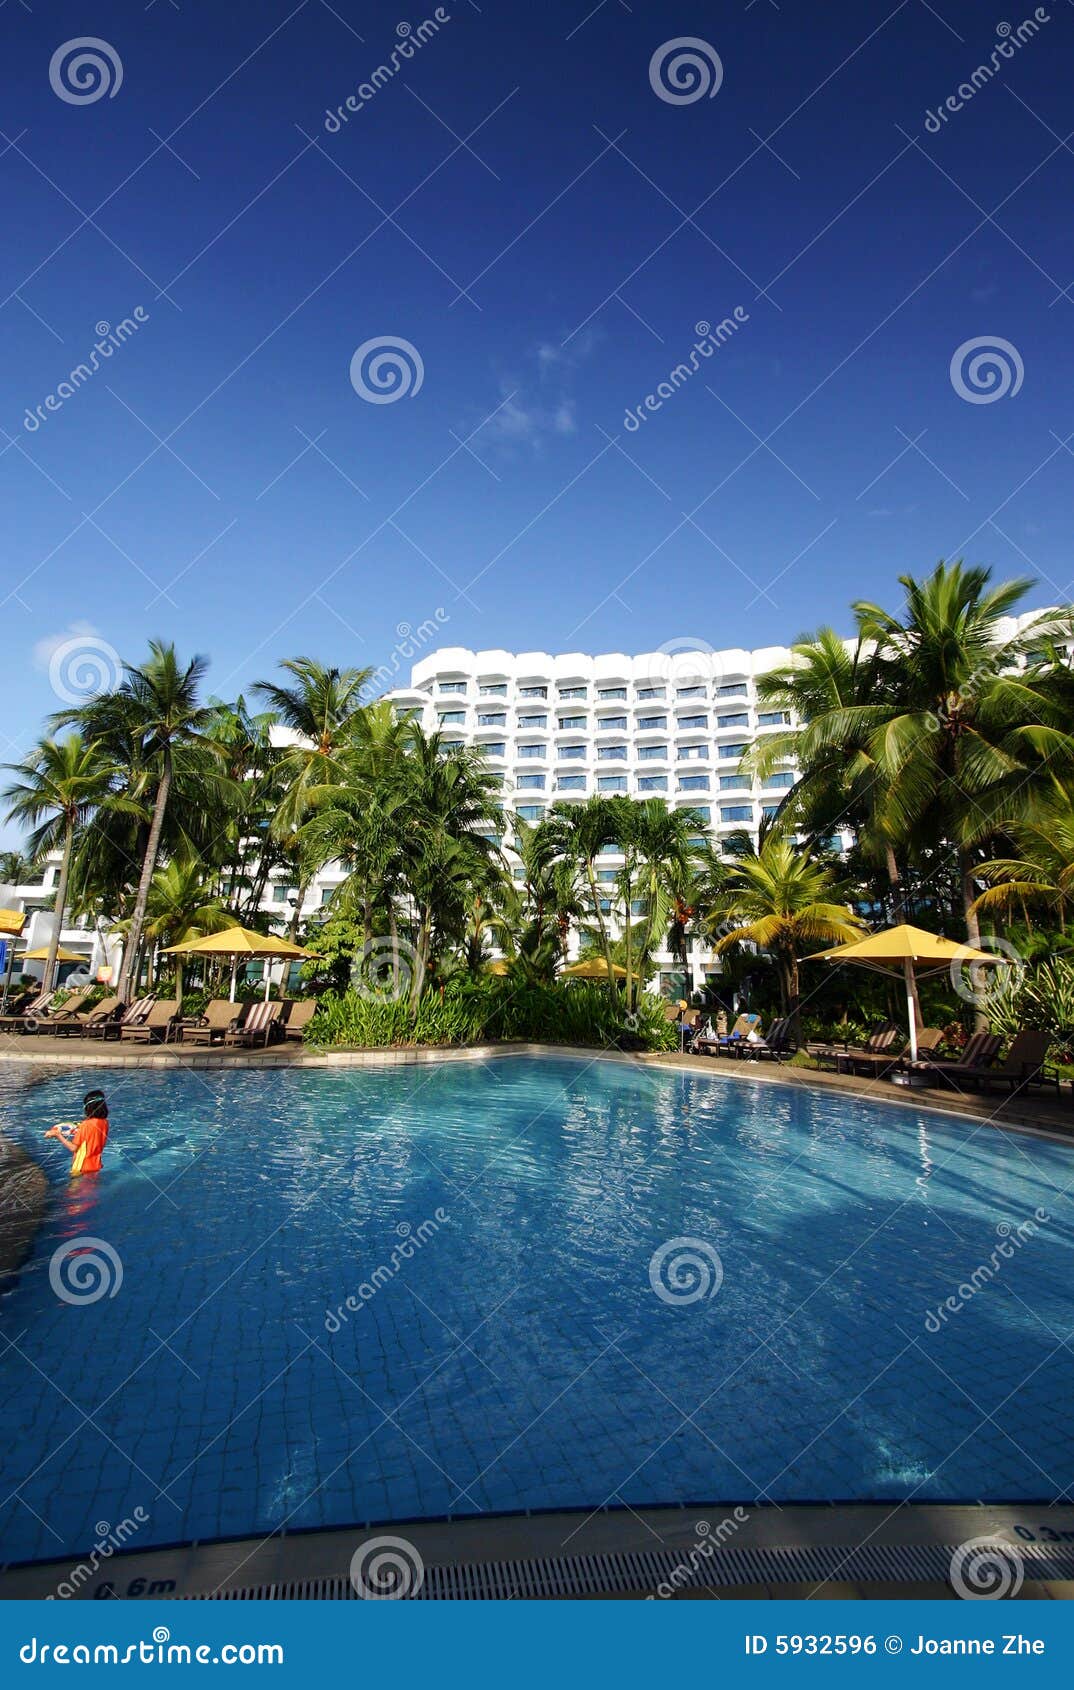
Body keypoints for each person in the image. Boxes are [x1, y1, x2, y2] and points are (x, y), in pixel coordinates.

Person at [45, 1089, 109, 1176]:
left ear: (88, 1108)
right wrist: (78, 1127)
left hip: (81, 1167)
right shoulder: (104, 1122)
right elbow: (92, 1134)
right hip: (96, 1166)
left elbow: (73, 1148)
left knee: (73, 1190)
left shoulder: (85, 1125)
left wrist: (57, 1135)